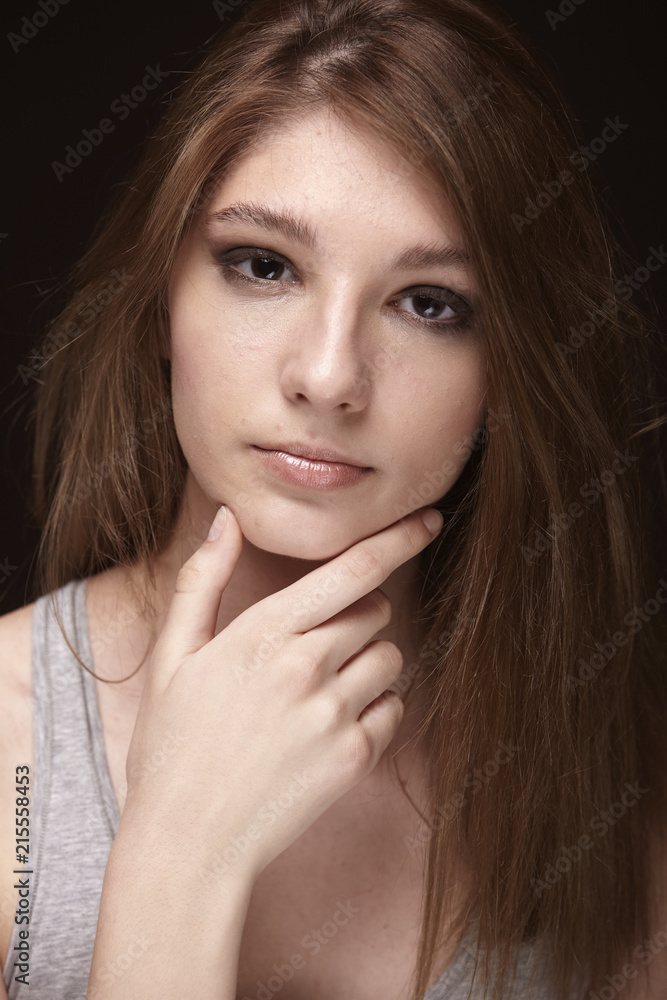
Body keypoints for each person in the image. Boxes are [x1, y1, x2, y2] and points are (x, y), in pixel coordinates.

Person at [1, 0, 666, 997]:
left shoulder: (602, 783)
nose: (327, 376)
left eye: (428, 303)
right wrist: (182, 851)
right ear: (160, 298)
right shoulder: (10, 742)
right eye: (263, 266)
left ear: (507, 371)